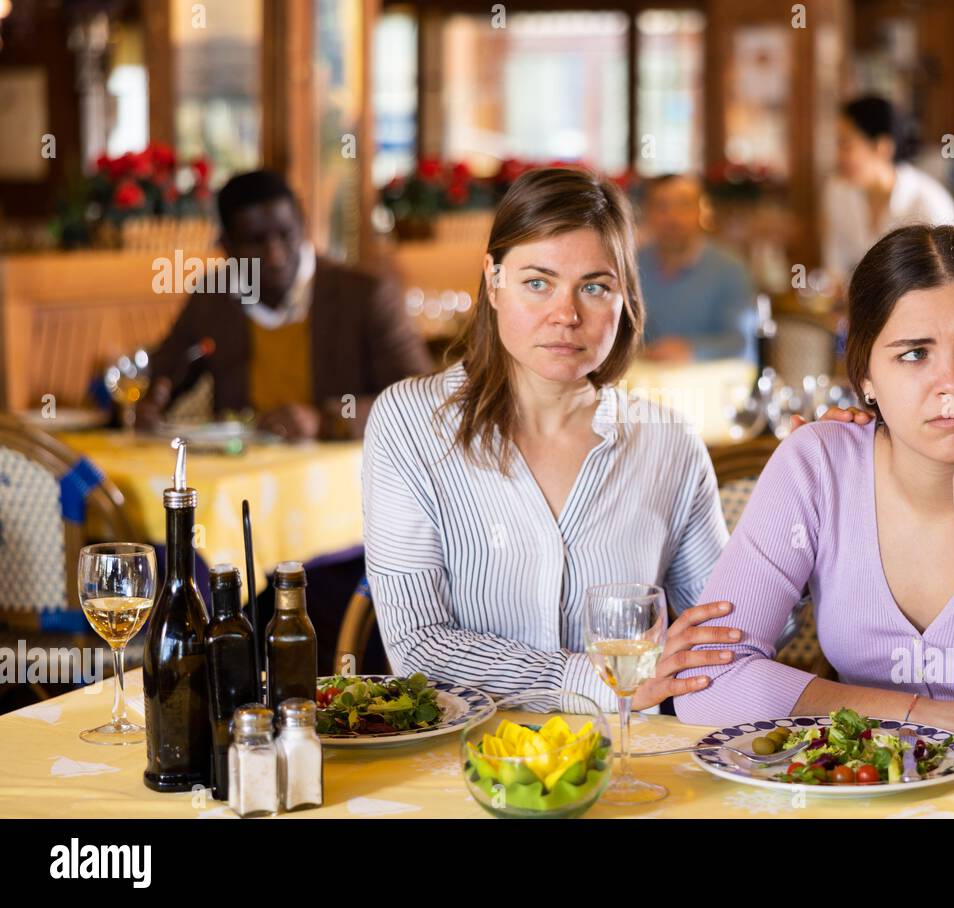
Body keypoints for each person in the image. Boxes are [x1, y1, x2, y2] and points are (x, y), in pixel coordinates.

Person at [673, 224, 954, 761]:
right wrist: (926, 716)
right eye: (914, 354)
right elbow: (706, 680)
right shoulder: (818, 462)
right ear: (866, 377)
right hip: (860, 792)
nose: (952, 382)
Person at [360, 167, 743, 712]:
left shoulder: (668, 443)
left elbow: (728, 633)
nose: (566, 315)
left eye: (594, 287)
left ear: (625, 297)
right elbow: (419, 648)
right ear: (493, 282)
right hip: (464, 771)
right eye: (537, 282)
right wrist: (592, 681)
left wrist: (813, 485)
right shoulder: (410, 423)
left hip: (630, 767)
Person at [138, 170, 432, 440]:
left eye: (285, 234)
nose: (275, 255)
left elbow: (420, 401)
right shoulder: (213, 298)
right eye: (255, 241)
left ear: (303, 226)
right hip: (243, 476)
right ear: (227, 246)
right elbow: (164, 379)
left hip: (346, 482)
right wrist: (150, 405)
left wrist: (324, 422)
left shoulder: (365, 295)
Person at [822, 96, 954, 287]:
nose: (837, 156)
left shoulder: (929, 203)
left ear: (882, 147)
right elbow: (835, 271)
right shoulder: (838, 191)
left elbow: (942, 285)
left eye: (845, 144)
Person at [637, 174, 756, 365]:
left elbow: (741, 341)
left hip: (711, 387)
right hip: (643, 384)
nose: (672, 217)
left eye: (684, 205)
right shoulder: (633, 265)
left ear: (702, 211)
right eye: (661, 206)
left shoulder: (730, 269)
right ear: (647, 213)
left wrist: (691, 350)